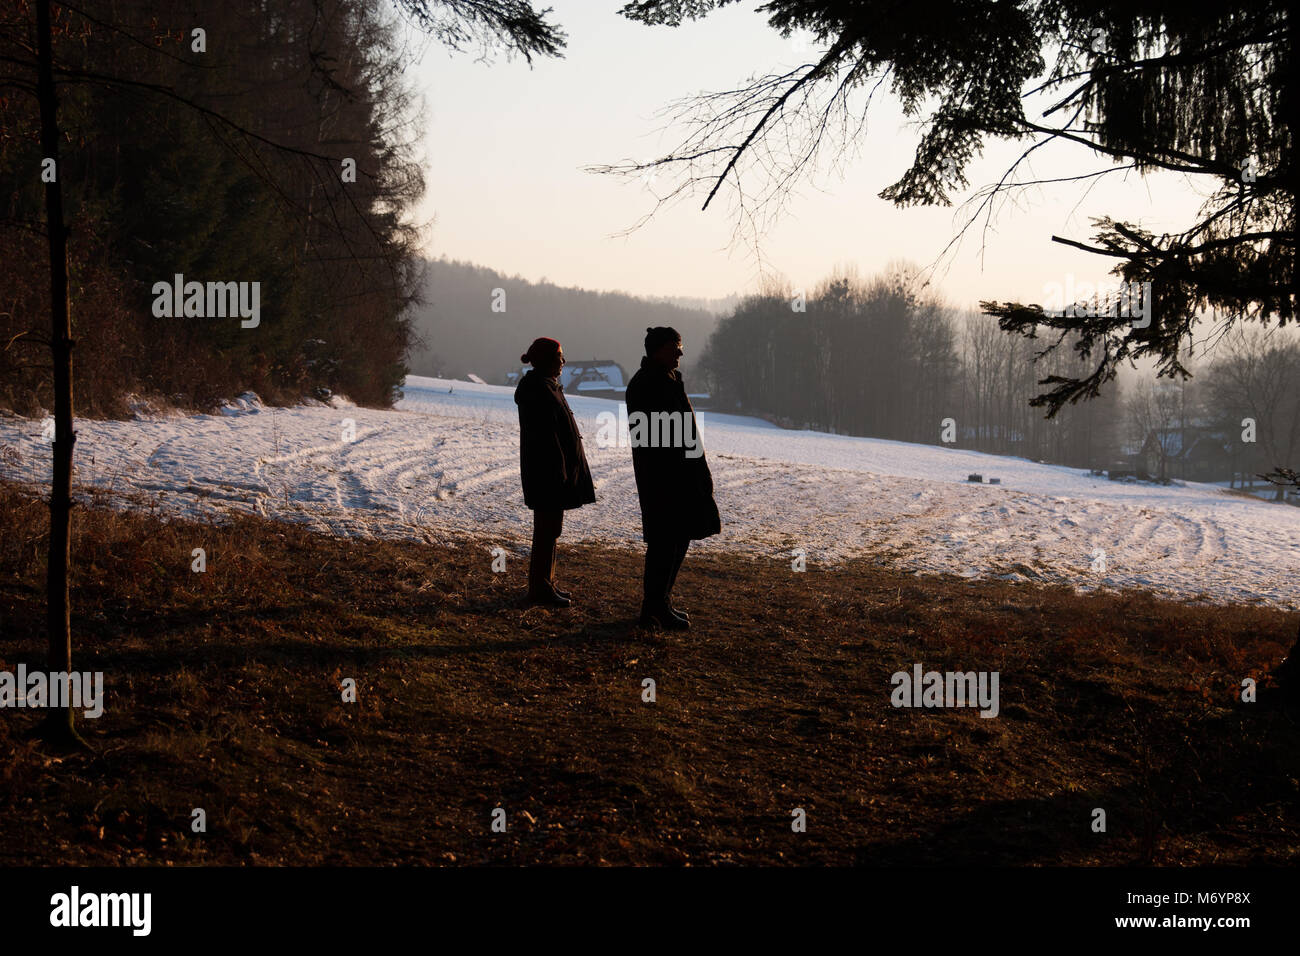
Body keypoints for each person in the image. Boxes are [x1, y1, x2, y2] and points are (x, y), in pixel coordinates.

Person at [625, 326, 721, 629]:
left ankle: (660, 603)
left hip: (678, 476)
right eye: (675, 347)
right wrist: (681, 469)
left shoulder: (664, 380)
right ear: (658, 349)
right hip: (665, 479)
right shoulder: (648, 384)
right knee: (665, 543)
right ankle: (653, 607)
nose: (680, 353)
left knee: (677, 540)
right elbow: (654, 439)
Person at [514, 337, 595, 606]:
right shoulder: (539, 390)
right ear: (548, 360)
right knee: (546, 530)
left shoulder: (547, 387)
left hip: (551, 474)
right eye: (559, 356)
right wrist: (560, 474)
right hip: (547, 475)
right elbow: (547, 439)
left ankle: (545, 584)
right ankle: (539, 588)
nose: (563, 361)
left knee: (551, 529)